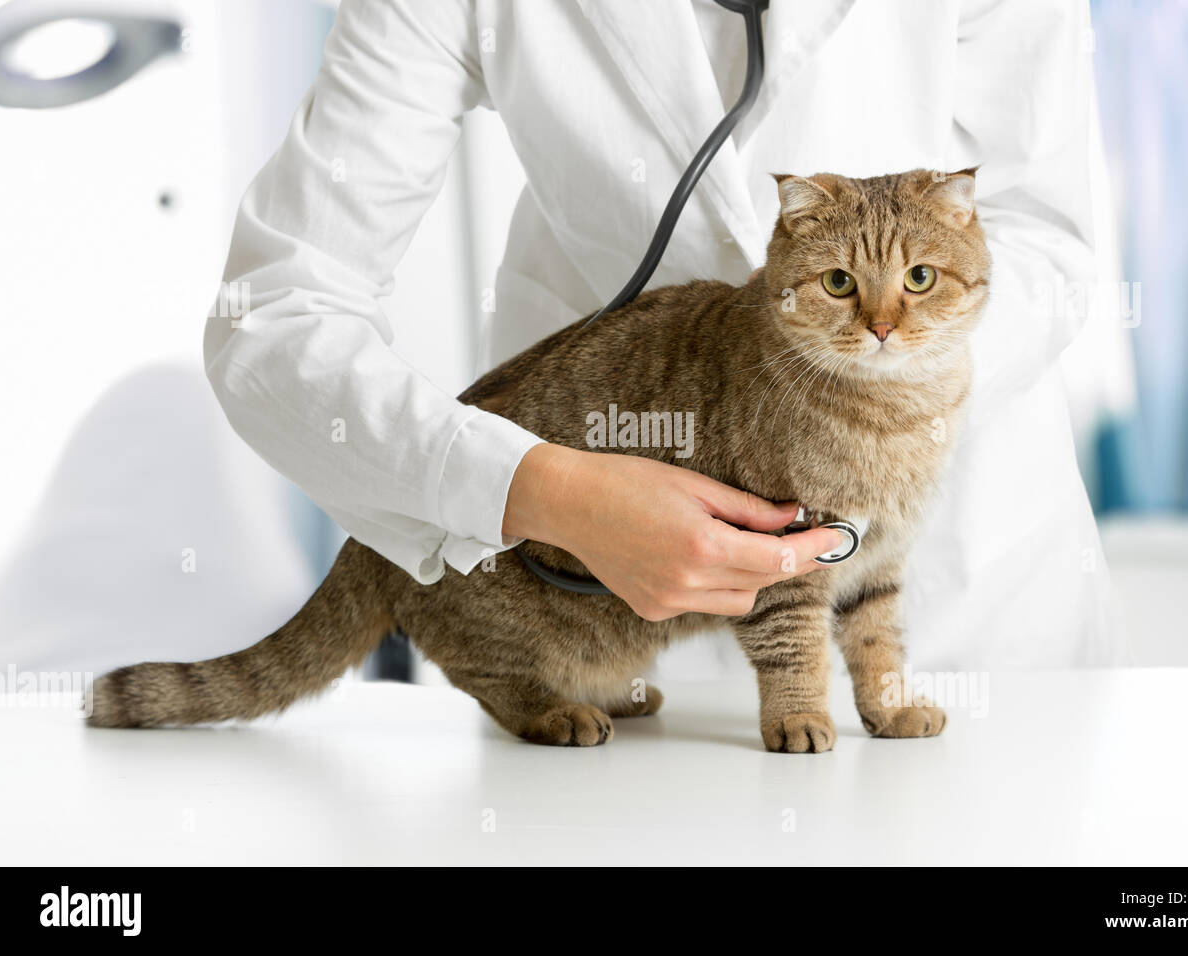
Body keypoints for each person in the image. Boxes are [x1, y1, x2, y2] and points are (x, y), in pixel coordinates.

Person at [205, 0, 1125, 669]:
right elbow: (277, 313)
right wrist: (539, 490)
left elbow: (1045, 232)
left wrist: (859, 398)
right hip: (604, 613)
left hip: (968, 602)